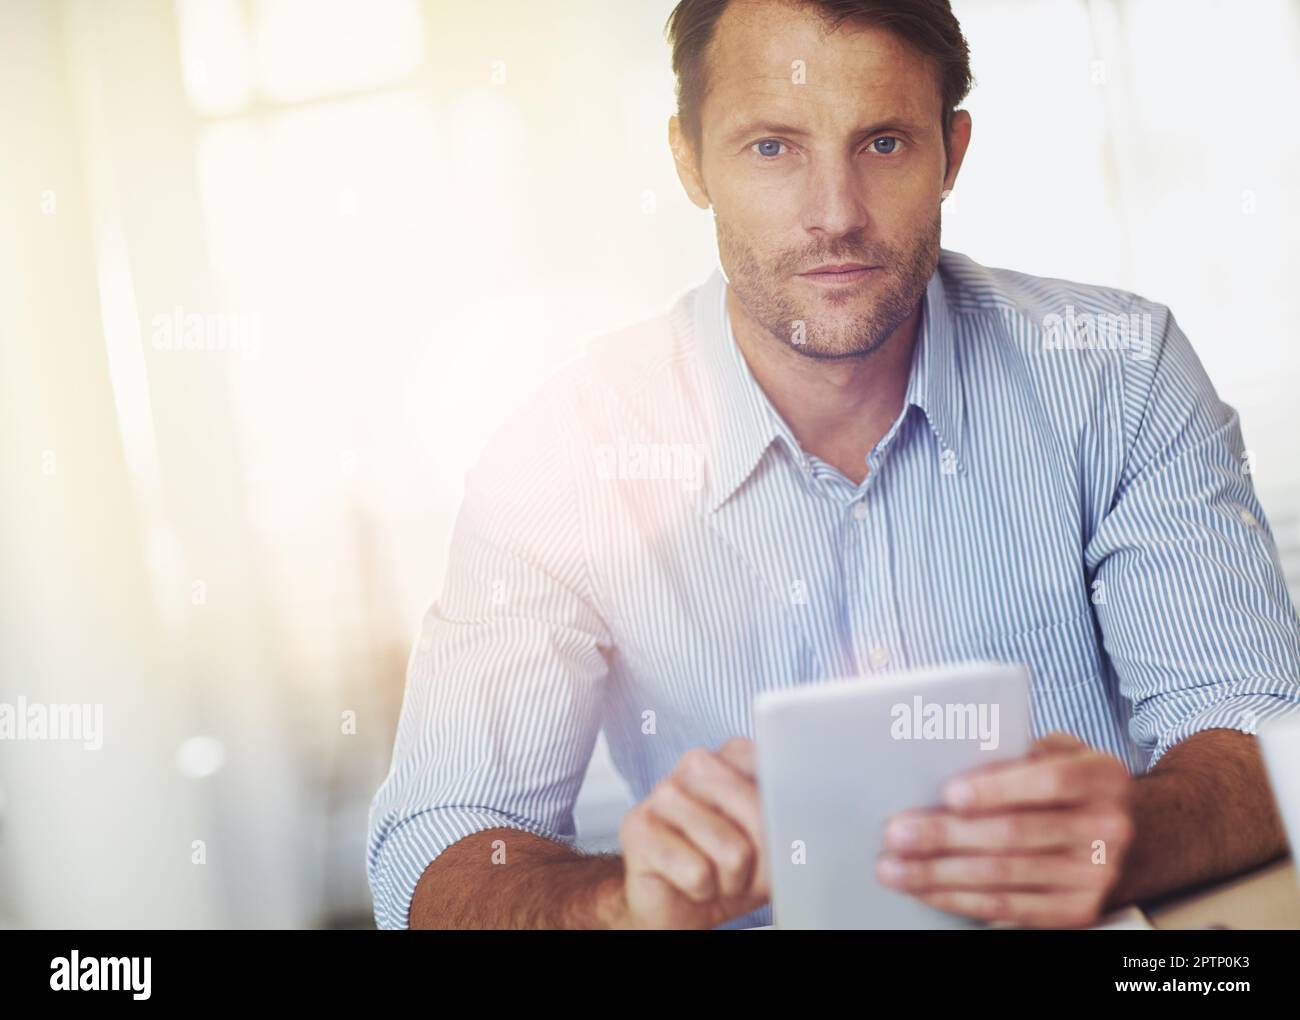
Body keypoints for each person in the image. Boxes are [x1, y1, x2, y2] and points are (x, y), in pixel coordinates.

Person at [368, 0, 1300, 929]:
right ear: (689, 161)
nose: (835, 216)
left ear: (954, 153)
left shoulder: (1116, 369)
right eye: (772, 147)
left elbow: (1265, 740)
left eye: (884, 143)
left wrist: (1125, 836)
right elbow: (438, 844)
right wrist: (619, 908)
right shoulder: (559, 453)